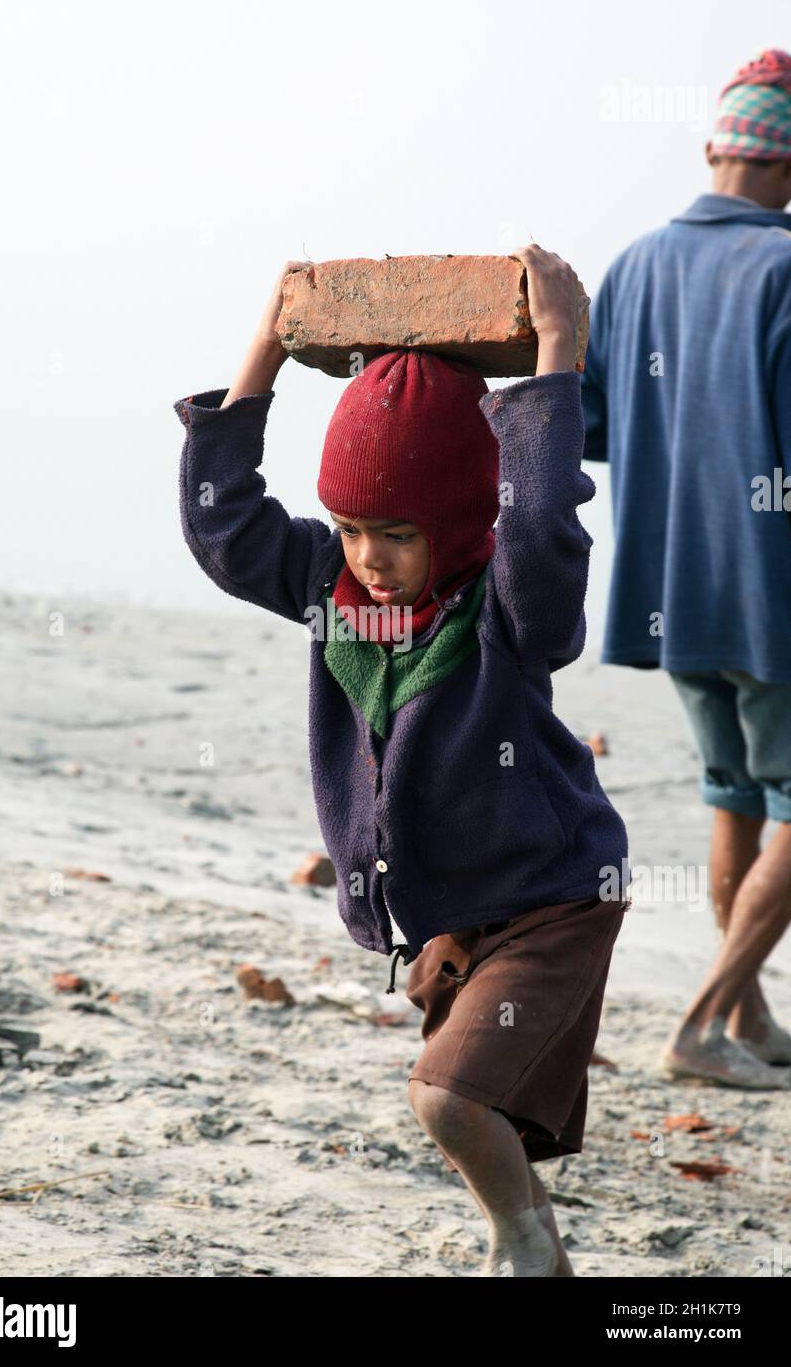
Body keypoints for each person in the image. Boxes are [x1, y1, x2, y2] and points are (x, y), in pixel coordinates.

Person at [174, 246, 630, 1276]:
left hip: (552, 897)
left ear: (462, 522)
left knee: (447, 1095)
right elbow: (221, 525)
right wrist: (267, 346)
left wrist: (555, 355)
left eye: (397, 533)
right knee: (473, 1104)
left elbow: (541, 523)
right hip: (447, 914)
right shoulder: (322, 581)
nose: (369, 557)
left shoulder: (506, 608)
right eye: (350, 527)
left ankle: (521, 1243)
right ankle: (532, 1236)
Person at [580, 49, 791, 1090]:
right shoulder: (786, 267)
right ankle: (702, 1021)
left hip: (668, 597)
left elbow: (592, 426)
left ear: (714, 147)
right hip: (771, 596)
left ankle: (747, 1019)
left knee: (731, 797)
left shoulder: (628, 267)